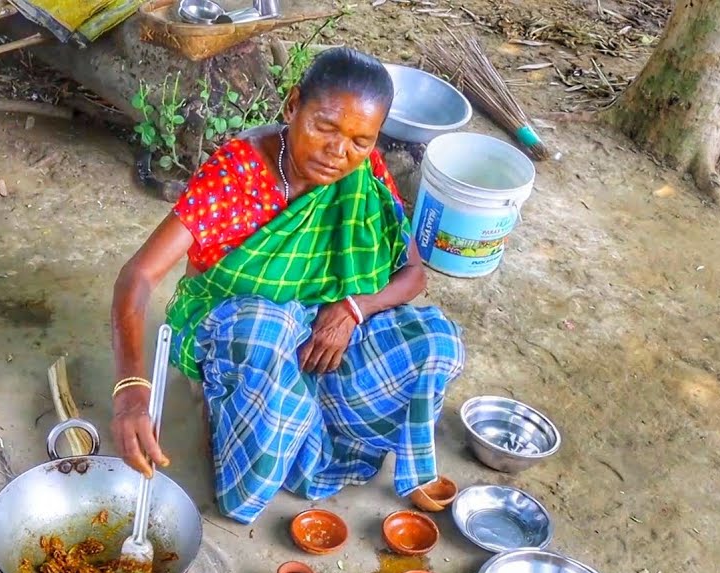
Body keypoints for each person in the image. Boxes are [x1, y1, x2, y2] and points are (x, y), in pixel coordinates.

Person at [109, 47, 465, 525]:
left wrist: (353, 309)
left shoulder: (364, 170)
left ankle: (313, 431)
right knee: (270, 327)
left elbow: (413, 274)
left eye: (361, 140)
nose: (339, 153)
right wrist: (131, 390)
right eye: (325, 127)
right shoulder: (237, 174)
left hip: (322, 337)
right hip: (246, 337)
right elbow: (138, 277)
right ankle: (242, 444)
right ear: (292, 105)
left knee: (434, 340)